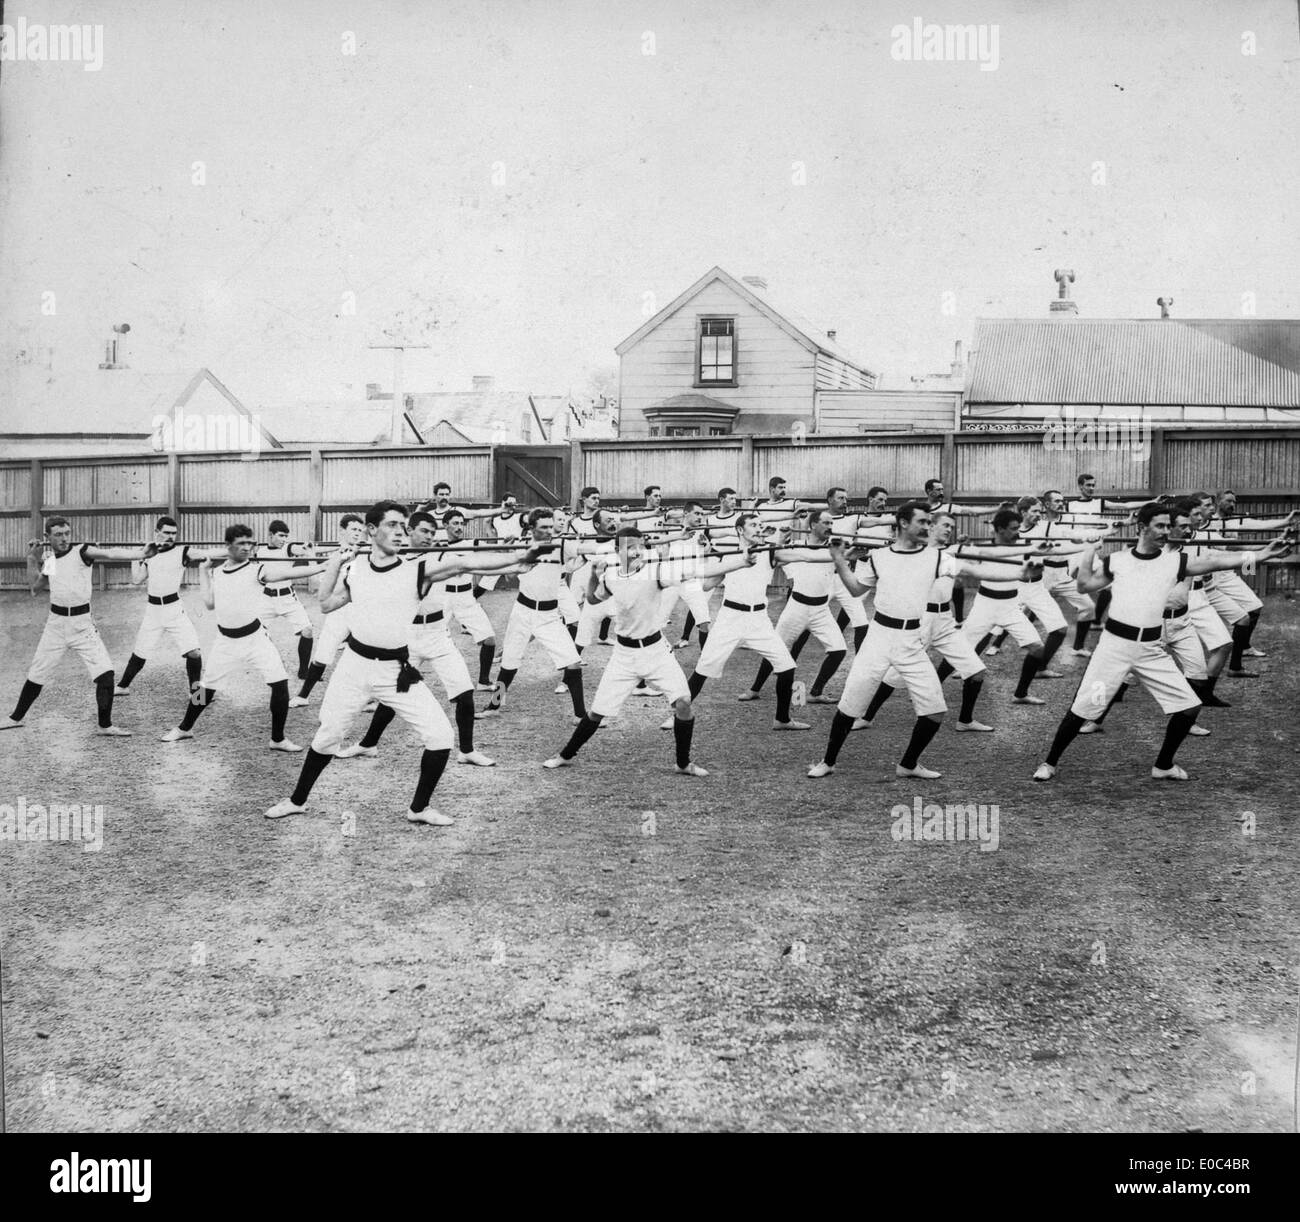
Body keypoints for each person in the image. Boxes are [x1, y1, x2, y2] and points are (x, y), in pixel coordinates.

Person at [264, 501, 544, 825]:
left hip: (395, 669)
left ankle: (419, 809)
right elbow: (326, 603)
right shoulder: (355, 569)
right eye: (392, 525)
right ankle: (297, 800)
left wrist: (520, 558)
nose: (400, 532)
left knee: (440, 737)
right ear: (371, 530)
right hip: (354, 666)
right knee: (327, 737)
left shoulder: (416, 571)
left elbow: (463, 562)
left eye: (403, 526)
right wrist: (334, 564)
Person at [1032, 502, 1290, 782]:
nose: (1166, 531)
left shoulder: (1174, 562)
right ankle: (1049, 762)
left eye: (1168, 526)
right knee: (1082, 709)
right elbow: (1083, 586)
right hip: (1114, 648)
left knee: (1190, 706)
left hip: (1151, 650)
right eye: (1160, 526)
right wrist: (1089, 551)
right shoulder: (1117, 560)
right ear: (1142, 527)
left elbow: (1215, 561)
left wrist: (1259, 554)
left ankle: (1163, 765)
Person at [806, 503, 1031, 780]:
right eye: (922, 522)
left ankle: (908, 764)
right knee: (849, 706)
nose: (927, 527)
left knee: (935, 711)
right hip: (879, 637)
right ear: (902, 523)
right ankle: (828, 761)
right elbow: (854, 590)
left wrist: (1020, 574)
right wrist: (840, 561)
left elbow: (977, 572)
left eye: (928, 522)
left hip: (911, 639)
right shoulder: (878, 556)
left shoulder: (937, 558)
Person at [543, 527, 755, 775]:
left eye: (639, 545)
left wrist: (742, 560)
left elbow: (699, 570)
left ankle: (683, 763)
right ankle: (565, 754)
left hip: (656, 650)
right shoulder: (611, 575)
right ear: (617, 550)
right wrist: (592, 575)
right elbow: (593, 600)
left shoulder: (656, 571)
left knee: (684, 702)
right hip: (623, 655)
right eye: (629, 546)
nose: (635, 551)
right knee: (597, 712)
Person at [335, 509, 532, 767]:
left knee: (464, 690)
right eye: (424, 532)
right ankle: (368, 744)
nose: (429, 537)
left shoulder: (441, 555)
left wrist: (512, 557)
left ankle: (467, 749)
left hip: (439, 633)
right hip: (407, 637)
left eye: (432, 532)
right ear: (409, 532)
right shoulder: (395, 559)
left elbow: (474, 560)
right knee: (395, 693)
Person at [159, 524, 330, 750]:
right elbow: (209, 604)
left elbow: (287, 572)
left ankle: (277, 739)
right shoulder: (218, 572)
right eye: (241, 544)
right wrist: (203, 572)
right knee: (204, 689)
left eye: (251, 543)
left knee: (280, 683)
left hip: (256, 638)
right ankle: (184, 728)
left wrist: (322, 566)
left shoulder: (257, 570)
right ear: (228, 546)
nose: (247, 548)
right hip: (225, 642)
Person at [659, 513, 815, 732]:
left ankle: (782, 719)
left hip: (759, 619)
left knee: (787, 666)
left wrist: (833, 554)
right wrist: (704, 562)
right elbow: (706, 586)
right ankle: (676, 716)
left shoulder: (770, 553)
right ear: (741, 530)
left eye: (761, 525)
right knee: (703, 668)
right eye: (753, 525)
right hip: (730, 618)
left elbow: (805, 557)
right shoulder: (728, 556)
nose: (759, 528)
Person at [0, 518, 141, 735]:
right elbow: (36, 588)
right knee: (37, 673)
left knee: (106, 673)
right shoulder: (51, 560)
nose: (65, 538)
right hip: (55, 625)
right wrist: (31, 559)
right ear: (48, 537)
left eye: (67, 533)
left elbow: (111, 554)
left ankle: (105, 726)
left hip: (83, 624)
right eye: (58, 534)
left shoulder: (82, 552)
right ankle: (14, 717)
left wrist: (142, 554)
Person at [740, 509, 848, 704]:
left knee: (839, 650)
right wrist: (781, 538)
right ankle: (754, 688)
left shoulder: (834, 548)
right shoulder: (797, 546)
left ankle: (815, 692)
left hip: (821, 611)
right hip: (796, 608)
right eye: (826, 523)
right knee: (775, 648)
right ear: (813, 525)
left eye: (832, 524)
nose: (830, 527)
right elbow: (775, 559)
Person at [114, 516, 209, 698]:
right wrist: (137, 556)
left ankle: (197, 694)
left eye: (173, 533)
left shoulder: (182, 551)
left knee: (194, 652)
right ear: (157, 533)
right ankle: (123, 686)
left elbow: (208, 553)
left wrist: (231, 552)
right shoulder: (150, 553)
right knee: (140, 651)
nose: (170, 536)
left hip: (174, 609)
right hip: (153, 611)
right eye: (166, 532)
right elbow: (137, 579)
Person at [289, 514, 368, 706]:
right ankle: (303, 696)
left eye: (360, 530)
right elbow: (319, 586)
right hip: (338, 611)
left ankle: (370, 699)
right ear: (342, 531)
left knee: (368, 654)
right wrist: (309, 557)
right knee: (322, 654)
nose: (358, 534)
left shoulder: (367, 554)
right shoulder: (334, 556)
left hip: (360, 611)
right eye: (353, 530)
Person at [260, 519, 316, 680]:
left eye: (286, 536)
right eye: (281, 536)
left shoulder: (288, 548)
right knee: (257, 632)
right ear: (270, 535)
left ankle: (303, 670)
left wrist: (306, 549)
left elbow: (297, 549)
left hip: (287, 598)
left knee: (307, 630)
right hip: (266, 599)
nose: (284, 539)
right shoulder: (260, 551)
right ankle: (272, 666)